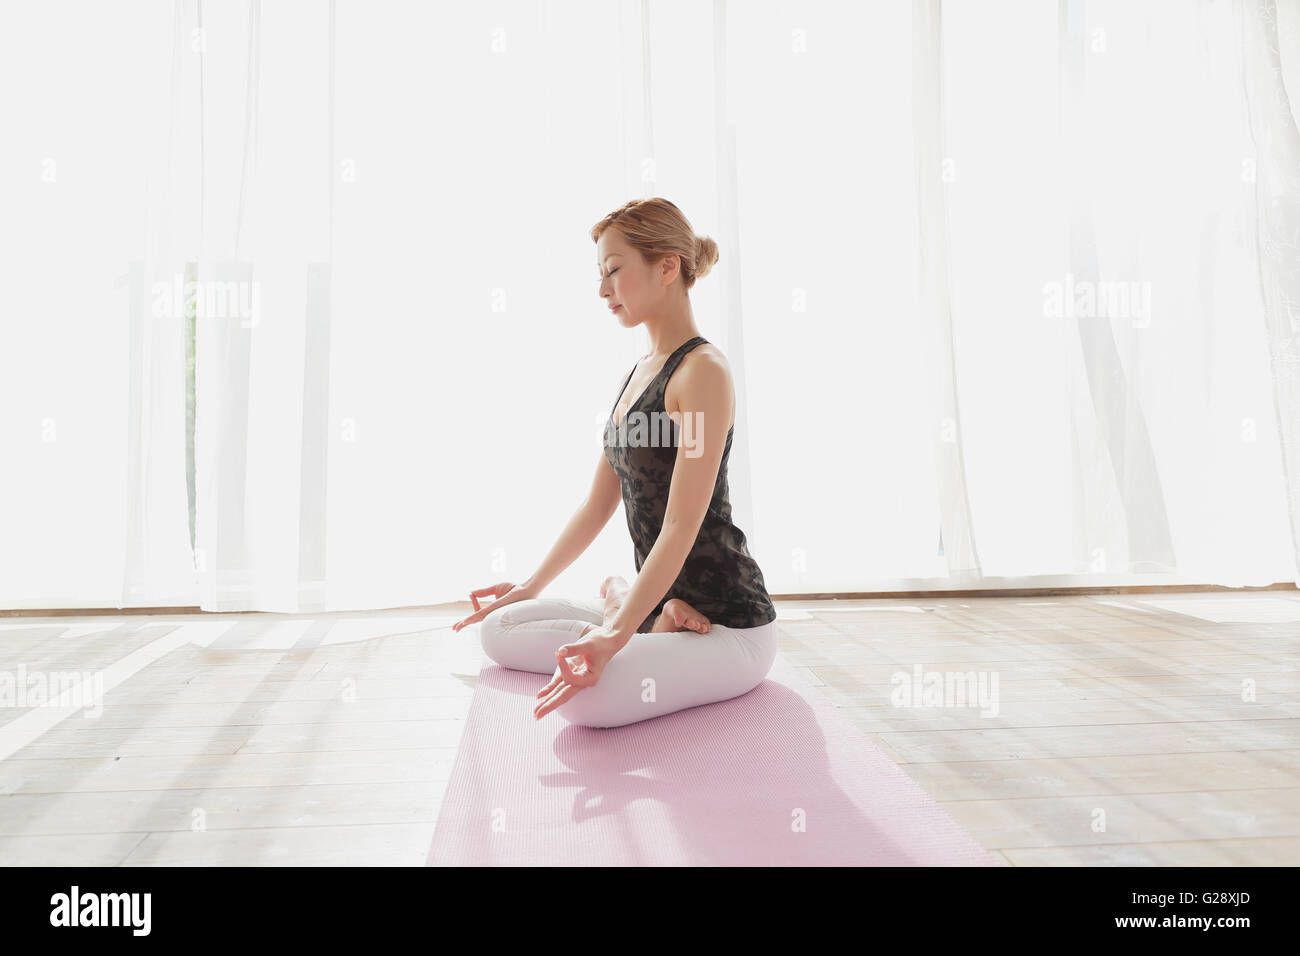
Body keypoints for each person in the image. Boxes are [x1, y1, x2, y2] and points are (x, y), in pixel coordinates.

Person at [451, 198, 778, 728]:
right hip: (660, 607)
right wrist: (529, 586)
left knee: (585, 700)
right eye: (599, 274)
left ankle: (626, 614)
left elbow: (679, 524)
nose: (603, 289)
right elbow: (596, 505)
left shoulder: (703, 372)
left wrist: (611, 637)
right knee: (499, 627)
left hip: (729, 628)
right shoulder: (637, 374)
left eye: (614, 271)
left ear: (667, 266)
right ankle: (638, 616)